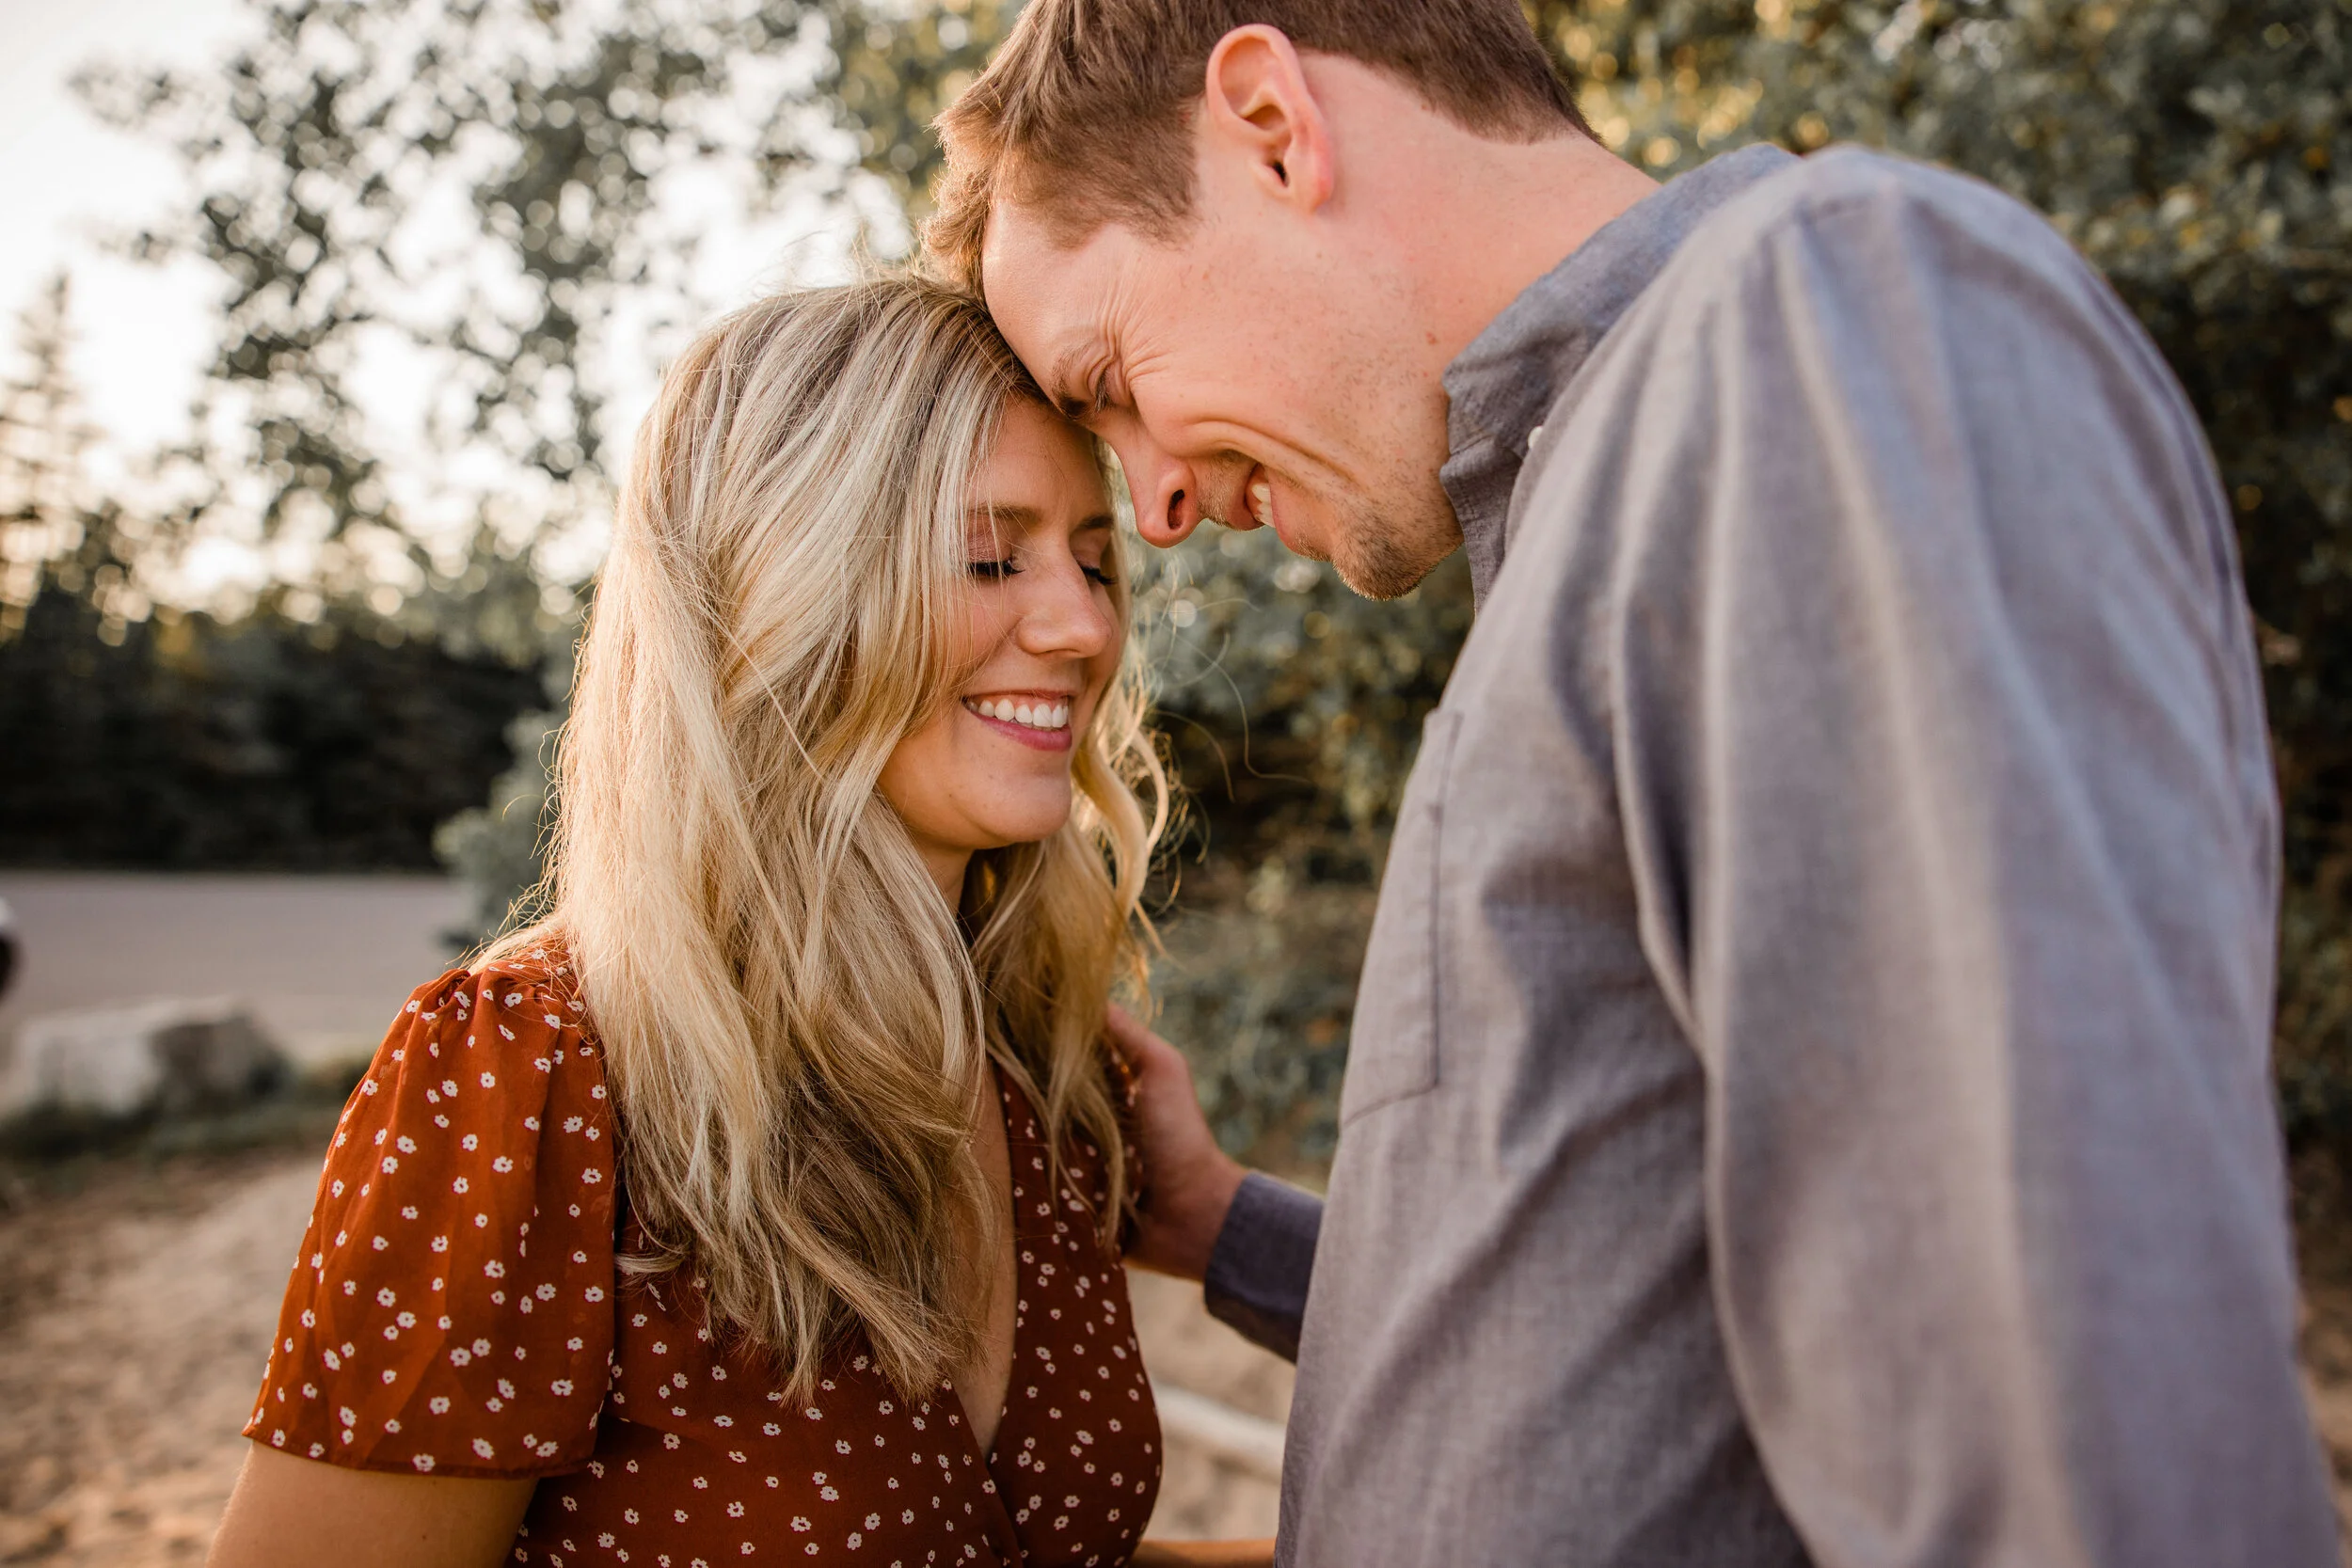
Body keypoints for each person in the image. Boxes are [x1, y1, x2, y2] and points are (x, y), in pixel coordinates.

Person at [930, 2, 2342, 1565]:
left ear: (1272, 125)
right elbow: (1691, 1344)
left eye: (1112, 375)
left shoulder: (1808, 332)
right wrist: (1226, 1227)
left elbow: (2067, 1391)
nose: (1160, 503)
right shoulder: (1617, 497)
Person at [207, 279, 1178, 1568]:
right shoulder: (531, 1068)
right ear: (780, 596)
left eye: (1095, 559)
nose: (1083, 624)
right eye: (991, 555)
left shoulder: (1051, 1067)